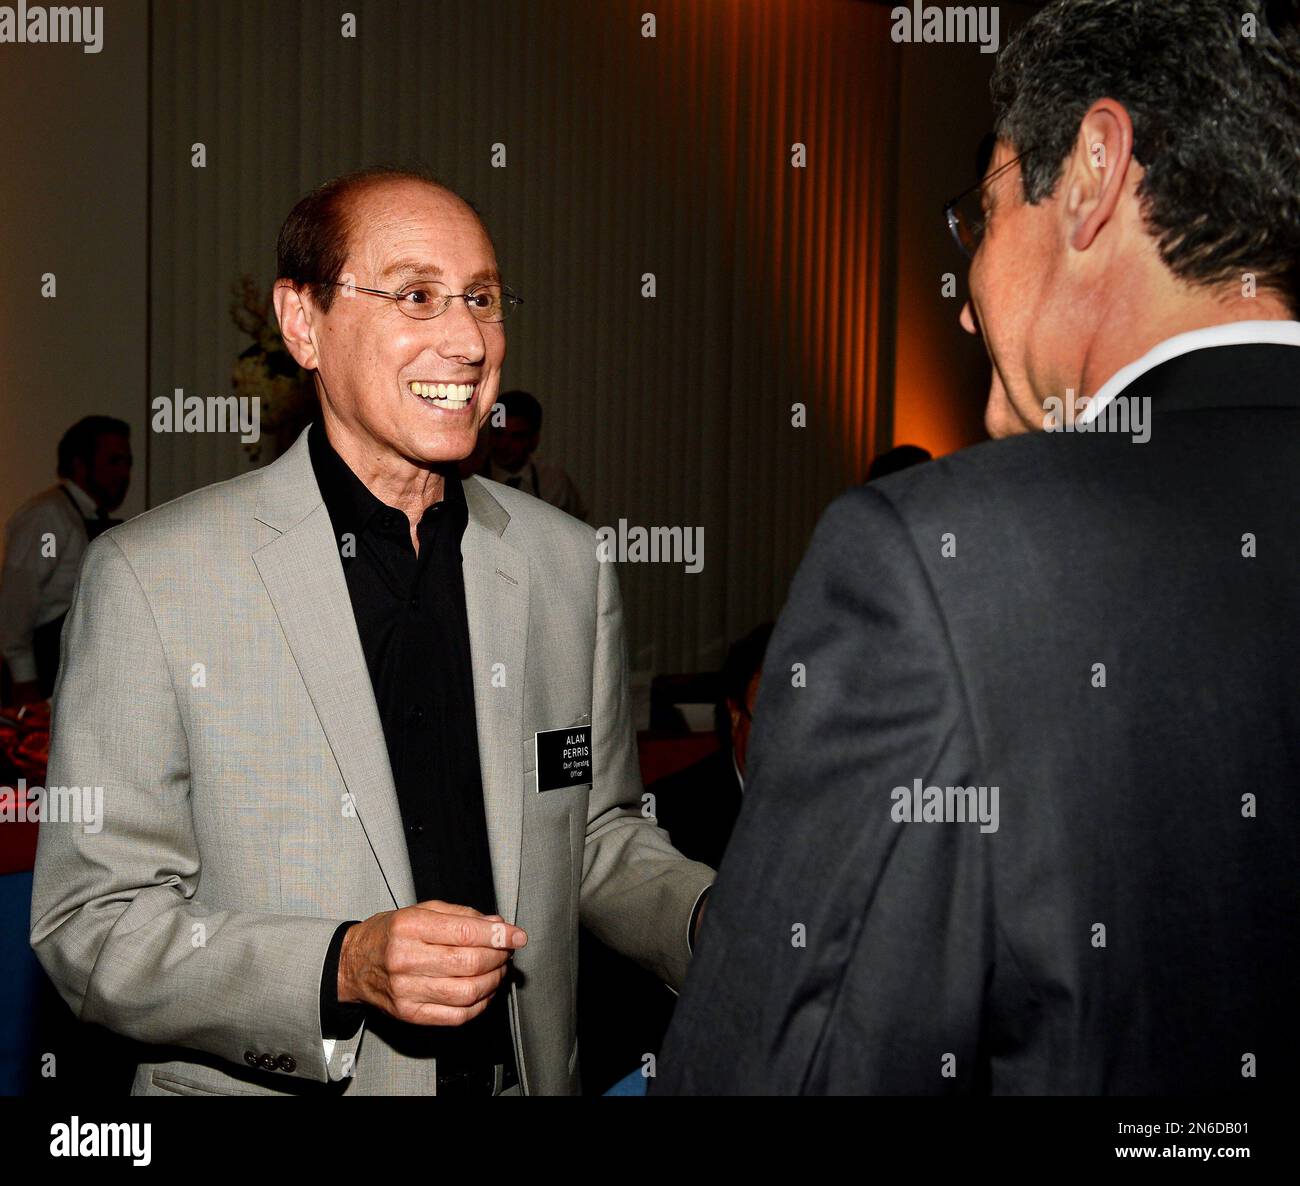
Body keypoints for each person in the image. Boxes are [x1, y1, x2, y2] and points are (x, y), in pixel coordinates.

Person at [655, 0, 1300, 1094]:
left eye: (982, 215)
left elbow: (782, 1060)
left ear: (1093, 170)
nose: (960, 309)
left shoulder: (939, 560)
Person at [30, 167, 715, 1096]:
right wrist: (341, 966)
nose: (469, 340)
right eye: (418, 296)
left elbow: (590, 835)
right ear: (303, 323)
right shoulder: (156, 580)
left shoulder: (565, 567)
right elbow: (91, 924)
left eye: (482, 298)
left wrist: (714, 919)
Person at [0, 416, 131, 704]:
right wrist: (25, 683)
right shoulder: (47, 516)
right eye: (114, 461)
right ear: (79, 464)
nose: (124, 472)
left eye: (127, 462)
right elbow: (15, 602)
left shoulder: (83, 517)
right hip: (40, 681)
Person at [489, 390, 588, 521]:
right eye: (498, 434)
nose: (503, 445)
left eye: (516, 437)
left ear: (534, 439)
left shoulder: (554, 482)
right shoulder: (471, 475)